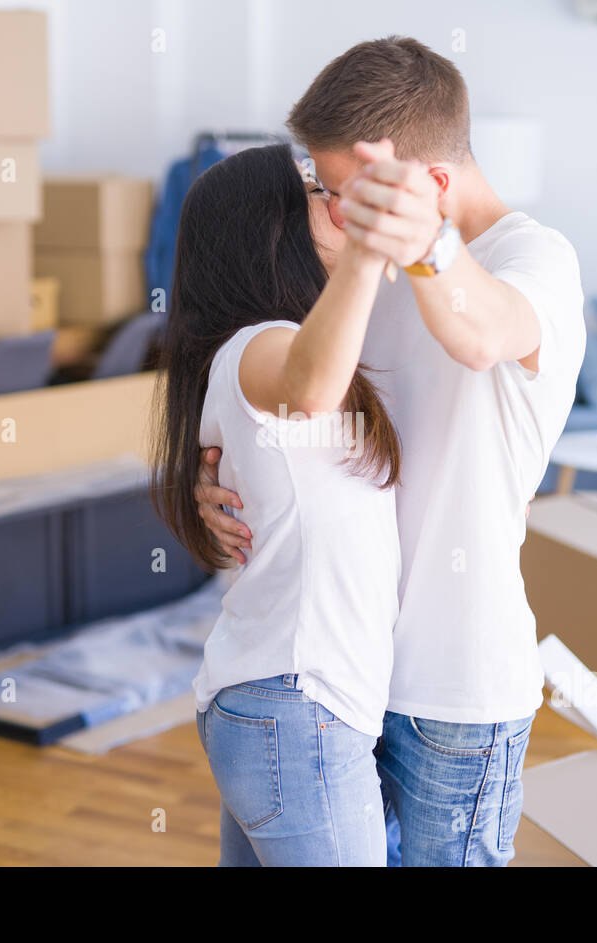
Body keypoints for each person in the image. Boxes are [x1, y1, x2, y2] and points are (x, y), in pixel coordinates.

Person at [196, 37, 586, 866]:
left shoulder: (533, 260)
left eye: (351, 195)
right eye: (329, 193)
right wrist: (221, 484)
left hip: (455, 693)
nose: (337, 216)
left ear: (430, 186)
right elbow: (306, 405)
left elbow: (483, 333)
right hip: (342, 682)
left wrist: (424, 246)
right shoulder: (359, 274)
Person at [151, 142, 403, 866]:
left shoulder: (260, 350)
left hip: (280, 708)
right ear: (273, 232)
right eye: (318, 193)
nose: (338, 204)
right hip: (296, 710)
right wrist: (365, 247)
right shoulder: (262, 345)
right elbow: (311, 387)